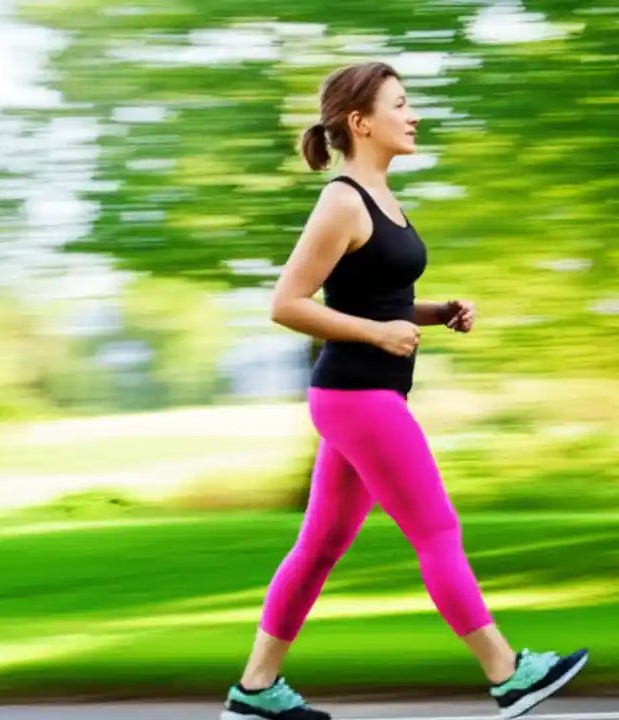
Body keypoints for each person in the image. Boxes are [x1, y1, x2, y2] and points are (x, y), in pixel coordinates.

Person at [221, 61, 589, 720]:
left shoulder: (382, 195)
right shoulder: (341, 199)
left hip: (362, 396)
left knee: (318, 548)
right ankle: (506, 674)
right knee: (436, 530)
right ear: (360, 122)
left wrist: (433, 311)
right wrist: (376, 334)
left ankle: (255, 691)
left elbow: (375, 295)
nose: (413, 114)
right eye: (400, 104)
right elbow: (288, 303)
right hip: (358, 396)